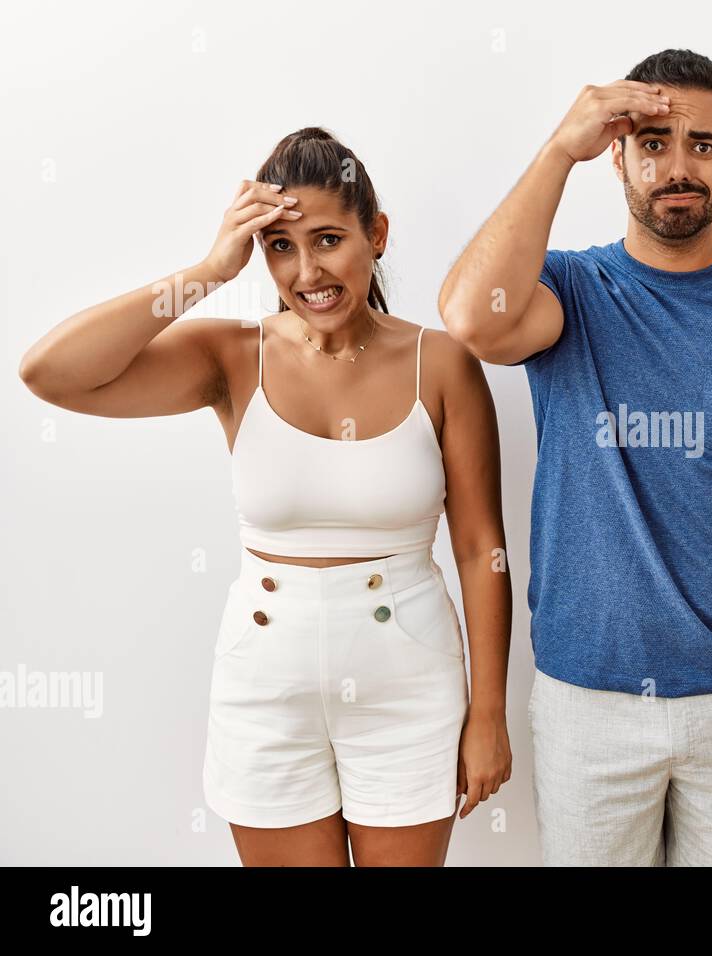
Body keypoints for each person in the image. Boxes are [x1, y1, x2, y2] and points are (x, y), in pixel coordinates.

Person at [18, 127, 513, 867]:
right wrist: (209, 271)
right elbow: (50, 372)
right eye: (281, 247)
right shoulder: (234, 358)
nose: (307, 270)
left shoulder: (439, 363)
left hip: (408, 686)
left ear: (376, 234)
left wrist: (489, 714)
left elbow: (481, 549)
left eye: (328, 239)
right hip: (265, 685)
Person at [439, 49, 712, 866]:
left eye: (703, 145)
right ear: (618, 155)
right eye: (654, 142)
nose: (678, 165)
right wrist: (562, 146)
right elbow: (469, 319)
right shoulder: (566, 292)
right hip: (586, 699)